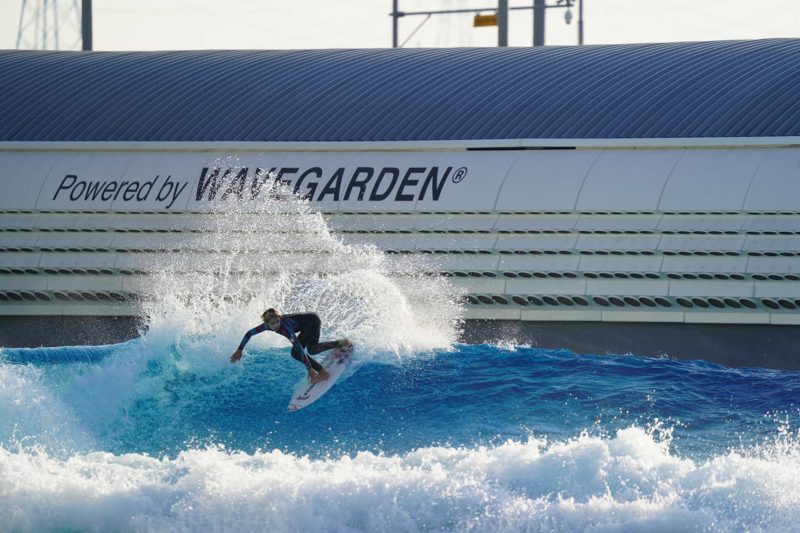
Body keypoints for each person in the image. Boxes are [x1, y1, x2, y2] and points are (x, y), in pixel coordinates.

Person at [230, 308, 349, 384]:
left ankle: (323, 373)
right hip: (311, 320)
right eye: (273, 323)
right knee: (312, 349)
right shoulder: (265, 326)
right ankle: (340, 343)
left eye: (278, 321)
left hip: (312, 322)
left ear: (280, 318)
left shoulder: (285, 327)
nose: (276, 325)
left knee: (295, 353)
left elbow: (298, 347)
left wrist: (309, 369)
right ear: (267, 324)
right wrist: (240, 349)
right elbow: (249, 333)